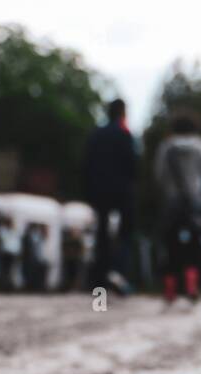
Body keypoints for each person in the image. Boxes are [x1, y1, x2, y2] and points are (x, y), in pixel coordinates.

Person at [153, 113, 201, 304]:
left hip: (171, 202)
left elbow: (159, 175)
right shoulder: (200, 147)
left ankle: (170, 289)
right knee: (194, 246)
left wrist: (166, 194)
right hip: (194, 203)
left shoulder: (166, 147)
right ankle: (191, 285)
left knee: (170, 245)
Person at [83, 98, 137, 293]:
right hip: (122, 191)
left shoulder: (96, 134)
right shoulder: (124, 134)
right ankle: (118, 273)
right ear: (122, 113)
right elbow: (132, 165)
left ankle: (99, 278)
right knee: (125, 234)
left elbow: (87, 165)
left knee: (102, 234)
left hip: (99, 191)